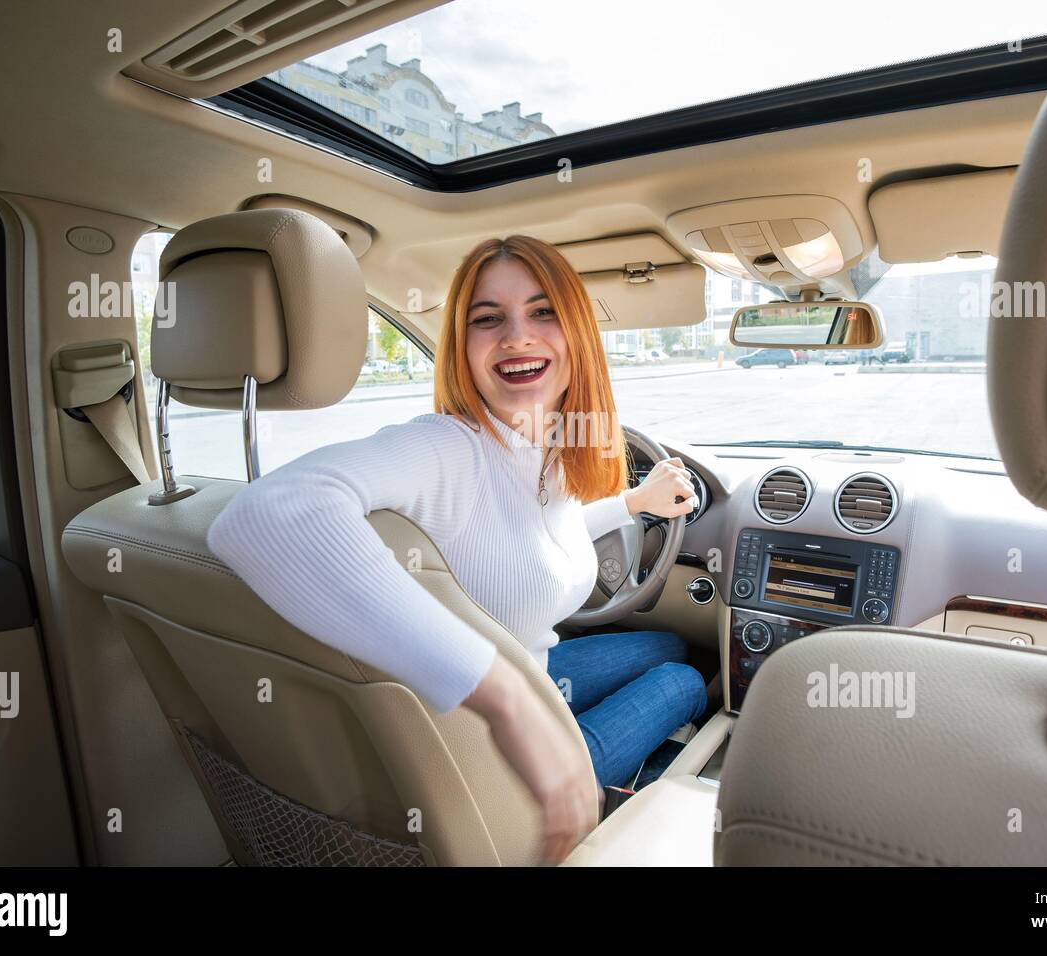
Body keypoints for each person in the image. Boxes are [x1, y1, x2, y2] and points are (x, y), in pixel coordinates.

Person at [207, 235, 707, 865]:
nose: (517, 336)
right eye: (487, 319)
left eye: (543, 311)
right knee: (688, 679)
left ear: (578, 332)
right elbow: (265, 514)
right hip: (488, 742)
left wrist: (632, 504)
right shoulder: (448, 448)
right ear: (461, 349)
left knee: (668, 643)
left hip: (541, 675)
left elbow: (540, 528)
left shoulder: (543, 446)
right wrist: (506, 699)